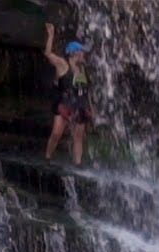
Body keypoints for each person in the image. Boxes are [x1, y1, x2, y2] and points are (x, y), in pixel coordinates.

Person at [43, 23, 93, 165]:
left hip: (80, 104)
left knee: (78, 136)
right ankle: (48, 157)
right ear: (73, 52)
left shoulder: (83, 69)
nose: (83, 54)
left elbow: (86, 90)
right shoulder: (63, 64)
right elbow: (48, 54)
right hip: (64, 103)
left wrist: (90, 108)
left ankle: (78, 163)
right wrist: (51, 35)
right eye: (81, 52)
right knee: (57, 133)